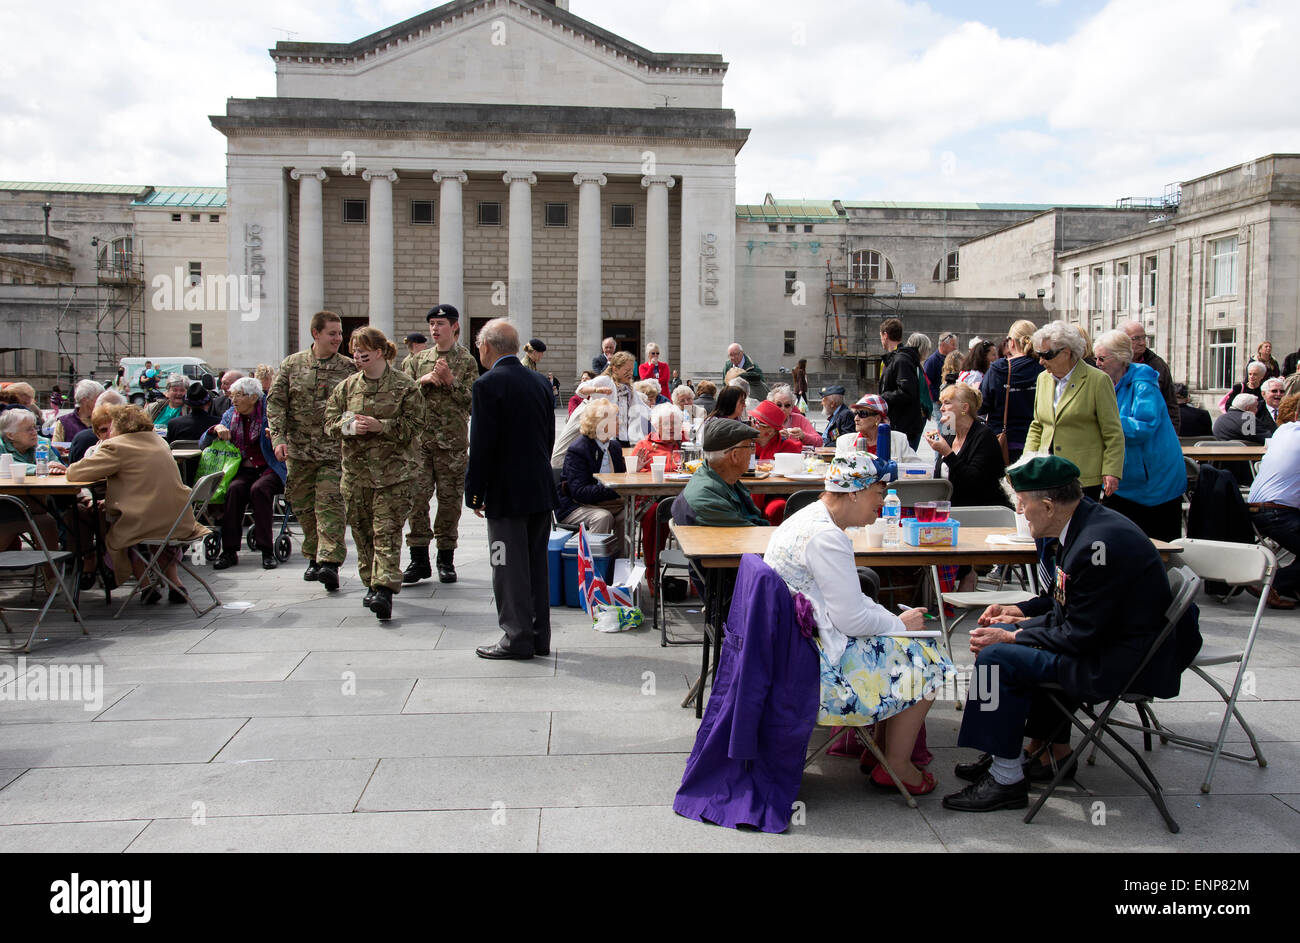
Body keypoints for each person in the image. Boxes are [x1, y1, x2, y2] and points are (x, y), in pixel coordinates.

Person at [942, 456, 1197, 814]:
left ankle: (1006, 778)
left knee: (997, 657)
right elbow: (1066, 604)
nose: (1019, 510)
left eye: (1023, 502)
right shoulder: (1084, 524)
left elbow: (1080, 634)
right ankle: (1038, 753)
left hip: (1113, 662)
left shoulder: (1096, 545)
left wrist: (1014, 637)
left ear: (1048, 505)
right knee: (999, 639)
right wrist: (1019, 614)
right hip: (1107, 645)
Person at [764, 453, 950, 796]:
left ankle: (878, 751)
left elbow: (844, 603)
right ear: (854, 492)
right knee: (930, 662)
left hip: (795, 649)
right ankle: (895, 765)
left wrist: (893, 623)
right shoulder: (826, 537)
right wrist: (898, 622)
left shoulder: (806, 519)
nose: (883, 502)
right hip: (814, 666)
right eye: (879, 493)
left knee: (908, 643)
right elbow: (850, 619)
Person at [465, 318, 557, 660]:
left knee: (505, 565)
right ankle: (537, 635)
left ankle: (515, 637)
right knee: (535, 565)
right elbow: (547, 438)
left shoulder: (487, 384)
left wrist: (474, 492)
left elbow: (482, 445)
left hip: (505, 493)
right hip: (537, 488)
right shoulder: (539, 383)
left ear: (486, 346)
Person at [324, 326, 423, 620]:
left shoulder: (406, 386)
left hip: (395, 477)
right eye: (353, 350)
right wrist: (350, 426)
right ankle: (371, 582)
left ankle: (384, 589)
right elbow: (329, 423)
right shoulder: (347, 387)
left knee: (387, 533)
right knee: (363, 533)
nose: (356, 355)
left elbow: (416, 425)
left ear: (378, 352)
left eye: (362, 350)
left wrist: (383, 426)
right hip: (356, 477)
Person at [66, 404, 209, 605]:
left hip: (145, 523)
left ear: (119, 425)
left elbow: (75, 473)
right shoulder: (158, 441)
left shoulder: (118, 446)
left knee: (116, 525)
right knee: (130, 519)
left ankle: (144, 584)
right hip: (179, 520)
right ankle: (174, 582)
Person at [266, 309, 355, 591]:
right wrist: (278, 438)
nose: (338, 339)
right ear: (315, 334)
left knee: (330, 505)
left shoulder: (348, 368)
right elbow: (276, 403)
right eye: (332, 333)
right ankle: (314, 556)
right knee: (304, 507)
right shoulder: (292, 365)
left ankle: (329, 562)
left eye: (340, 333)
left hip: (334, 452)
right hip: (299, 453)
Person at [401, 303, 478, 585]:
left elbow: (473, 403)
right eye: (432, 323)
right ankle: (418, 558)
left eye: (441, 324)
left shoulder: (466, 361)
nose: (435, 329)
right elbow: (401, 398)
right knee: (417, 500)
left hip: (452, 447)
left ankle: (446, 559)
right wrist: (421, 381)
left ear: (455, 327)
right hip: (420, 445)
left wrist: (450, 381)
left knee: (449, 504)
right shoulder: (415, 361)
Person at [1092, 330, 1186, 541]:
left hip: (1154, 484)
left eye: (1101, 358)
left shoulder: (1143, 384)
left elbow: (1141, 428)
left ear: (1121, 357)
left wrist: (1103, 420)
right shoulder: (1108, 383)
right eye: (1095, 358)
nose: (1097, 363)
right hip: (1126, 483)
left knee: (1159, 547)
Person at [1024, 319, 1124, 500]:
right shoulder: (1042, 379)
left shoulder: (1098, 380)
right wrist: (1027, 461)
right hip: (1047, 473)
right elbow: (1038, 425)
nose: (1040, 361)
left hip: (1083, 476)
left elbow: (1113, 431)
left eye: (1046, 355)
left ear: (1066, 352)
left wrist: (1111, 470)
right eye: (1038, 355)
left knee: (1080, 525)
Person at [202, 376, 287, 571]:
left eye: (239, 395)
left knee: (260, 490)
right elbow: (203, 442)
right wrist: (215, 428)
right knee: (234, 490)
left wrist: (276, 437)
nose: (234, 400)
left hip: (270, 468)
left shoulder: (270, 414)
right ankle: (229, 551)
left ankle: (266, 550)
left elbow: (288, 436)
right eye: (233, 396)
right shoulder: (230, 414)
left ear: (254, 397)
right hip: (245, 469)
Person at [1247, 400, 1300, 608]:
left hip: (1261, 507)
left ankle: (1290, 585)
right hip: (1276, 513)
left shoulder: (1283, 431)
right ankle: (1273, 585)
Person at [926, 383, 1009, 508]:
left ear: (964, 408)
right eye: (941, 403)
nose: (941, 408)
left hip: (982, 513)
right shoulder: (950, 434)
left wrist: (947, 453)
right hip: (953, 512)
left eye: (947, 403)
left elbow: (974, 483)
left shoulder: (984, 437)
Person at [555, 400, 627, 539]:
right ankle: (595, 560)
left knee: (626, 516)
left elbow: (620, 478)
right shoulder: (579, 449)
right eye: (615, 418)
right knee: (602, 518)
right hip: (574, 506)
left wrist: (633, 471)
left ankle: (620, 559)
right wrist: (614, 489)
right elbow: (579, 492)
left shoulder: (614, 447)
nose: (620, 422)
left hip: (605, 503)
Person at [681, 418, 769, 527]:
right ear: (735, 455)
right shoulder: (709, 500)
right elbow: (750, 536)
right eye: (750, 446)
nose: (753, 451)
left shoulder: (722, 477)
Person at [979, 319, 1043, 465]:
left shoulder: (999, 368)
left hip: (1005, 441)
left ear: (1012, 342)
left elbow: (982, 405)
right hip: (1038, 442)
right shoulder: (1043, 367)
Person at [749, 400, 803, 525]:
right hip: (747, 491)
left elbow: (794, 476)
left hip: (776, 493)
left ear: (771, 430)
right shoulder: (745, 444)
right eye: (751, 419)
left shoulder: (788, 448)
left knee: (777, 507)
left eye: (757, 422)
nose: (751, 424)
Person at [1120, 321, 1179, 432]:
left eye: (1144, 338)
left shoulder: (1157, 365)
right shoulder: (1113, 363)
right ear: (1122, 340)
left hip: (1153, 430)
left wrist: (1173, 434)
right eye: (1136, 338)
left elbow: (1170, 404)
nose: (1142, 343)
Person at [878, 317, 925, 450]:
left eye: (881, 336)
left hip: (904, 427)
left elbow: (907, 391)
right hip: (900, 424)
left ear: (885, 335)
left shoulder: (901, 360)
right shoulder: (896, 358)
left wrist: (883, 397)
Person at [842, 394, 917, 461]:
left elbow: (918, 468)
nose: (856, 418)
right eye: (855, 413)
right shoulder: (844, 442)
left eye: (862, 414)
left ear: (877, 419)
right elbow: (838, 472)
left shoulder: (899, 440)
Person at [0, 407, 66, 476]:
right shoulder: (1, 445)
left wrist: (57, 469)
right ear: (10, 435)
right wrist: (39, 468)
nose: (34, 432)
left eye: (35, 427)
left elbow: (56, 465)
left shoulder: (42, 443)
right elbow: (4, 466)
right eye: (29, 429)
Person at [601, 351, 645, 448]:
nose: (630, 373)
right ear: (615, 369)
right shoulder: (606, 382)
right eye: (627, 370)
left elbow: (642, 408)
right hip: (606, 436)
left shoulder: (630, 389)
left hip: (623, 435)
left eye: (632, 370)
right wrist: (596, 389)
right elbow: (581, 389)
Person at [69, 390, 125, 464]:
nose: (110, 433)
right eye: (103, 430)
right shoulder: (90, 451)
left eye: (115, 428)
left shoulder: (132, 448)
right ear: (97, 433)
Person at [52, 380, 104, 444]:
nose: (102, 402)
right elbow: (55, 449)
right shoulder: (64, 422)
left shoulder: (105, 420)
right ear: (85, 400)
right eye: (99, 399)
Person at [924, 332, 958, 408]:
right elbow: (927, 383)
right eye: (952, 344)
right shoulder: (932, 361)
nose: (955, 347)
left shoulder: (952, 359)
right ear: (943, 345)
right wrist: (938, 398)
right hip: (937, 403)